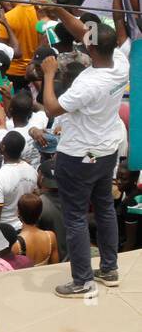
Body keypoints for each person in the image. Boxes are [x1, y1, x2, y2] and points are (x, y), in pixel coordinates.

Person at [38, 23, 125, 296]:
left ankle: (82, 280)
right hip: (104, 152)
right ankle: (109, 269)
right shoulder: (120, 62)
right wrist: (58, 12)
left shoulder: (87, 83)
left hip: (80, 157)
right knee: (104, 208)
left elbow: (52, 107)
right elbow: (83, 33)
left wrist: (49, 74)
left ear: (91, 47)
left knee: (75, 217)